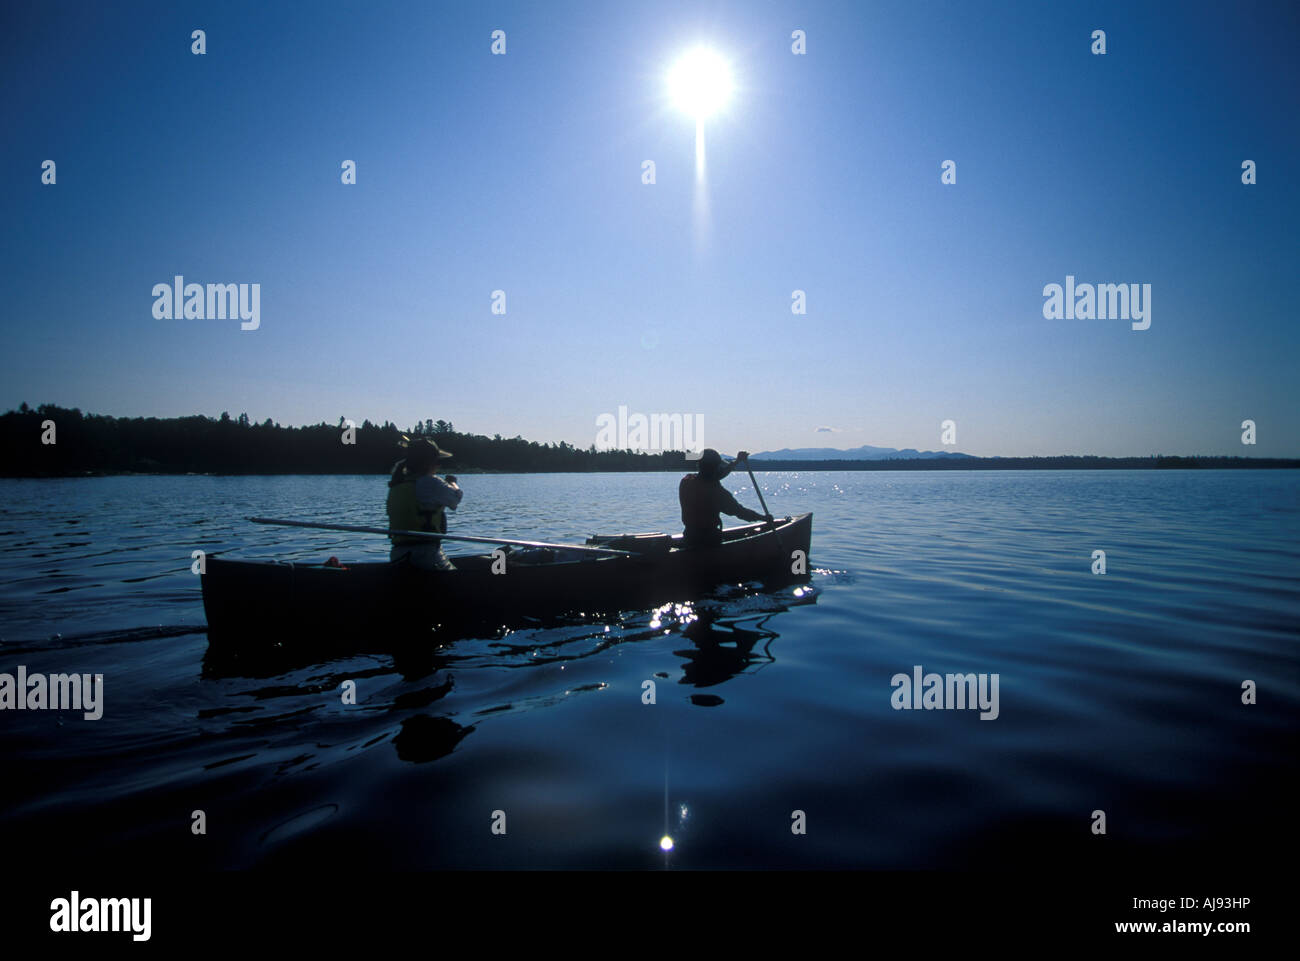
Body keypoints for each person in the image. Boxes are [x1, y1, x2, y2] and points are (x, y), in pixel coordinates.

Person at [386, 439, 463, 571]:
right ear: (430, 462)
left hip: (398, 555)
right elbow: (455, 500)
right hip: (425, 555)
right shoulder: (429, 482)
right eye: (438, 462)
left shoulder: (397, 483)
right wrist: (453, 483)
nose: (438, 466)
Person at [679, 449, 771, 549]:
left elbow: (714, 476)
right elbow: (740, 512)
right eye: (717, 467)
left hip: (690, 537)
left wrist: (736, 461)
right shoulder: (716, 491)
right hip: (709, 541)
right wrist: (764, 518)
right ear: (714, 468)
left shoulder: (687, 482)